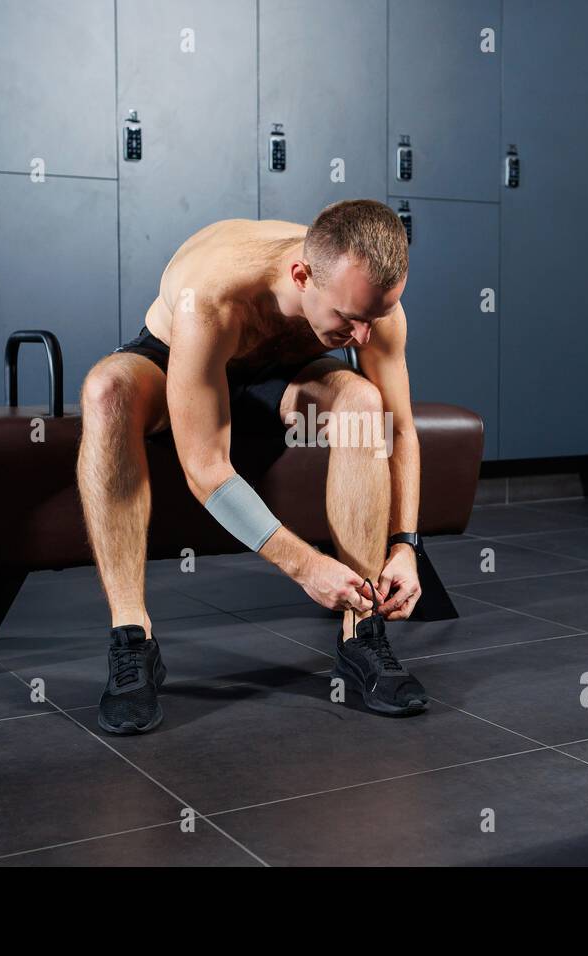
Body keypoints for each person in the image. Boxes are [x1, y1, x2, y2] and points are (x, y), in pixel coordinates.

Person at [77, 199, 427, 734]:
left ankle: (363, 629)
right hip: (180, 360)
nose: (363, 337)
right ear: (301, 275)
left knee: (361, 402)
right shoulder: (212, 295)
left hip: (281, 376)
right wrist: (307, 567)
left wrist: (405, 544)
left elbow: (398, 428)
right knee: (107, 391)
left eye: (373, 319)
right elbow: (206, 468)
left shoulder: (372, 306)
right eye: (349, 319)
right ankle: (132, 638)